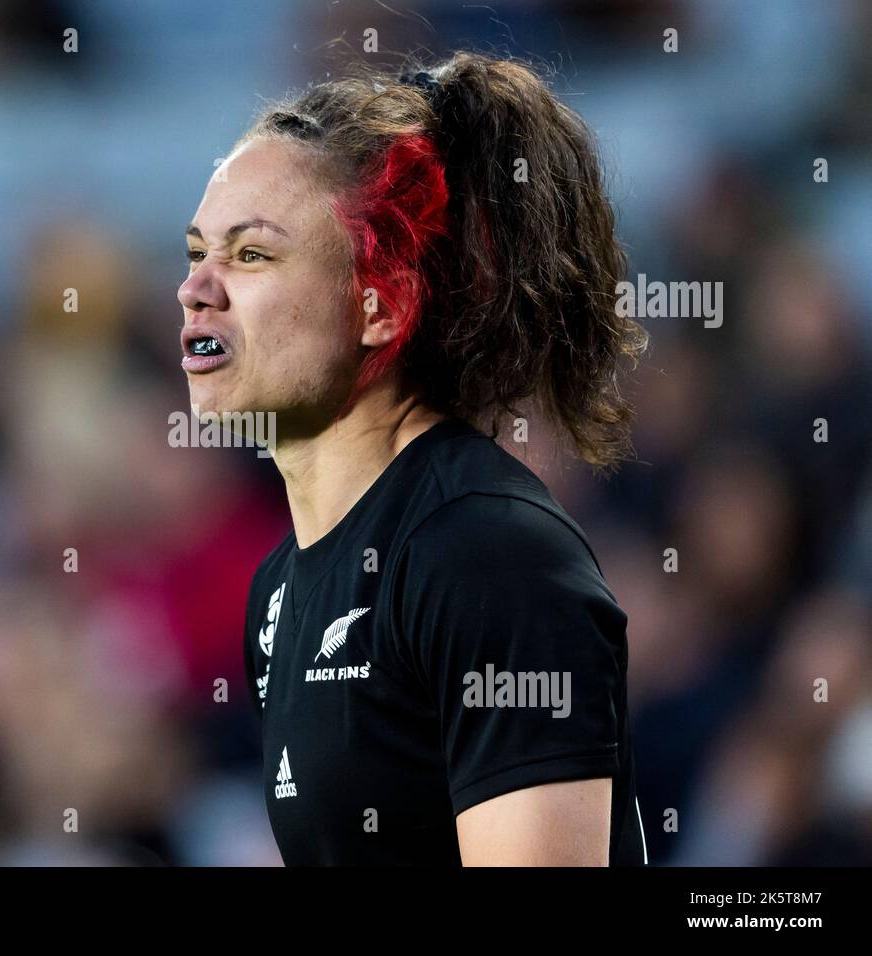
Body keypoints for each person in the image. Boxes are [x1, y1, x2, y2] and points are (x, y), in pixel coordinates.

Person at [177, 52, 649, 865]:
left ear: (380, 306)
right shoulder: (279, 593)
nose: (197, 289)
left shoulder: (487, 555)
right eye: (195, 252)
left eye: (251, 255)